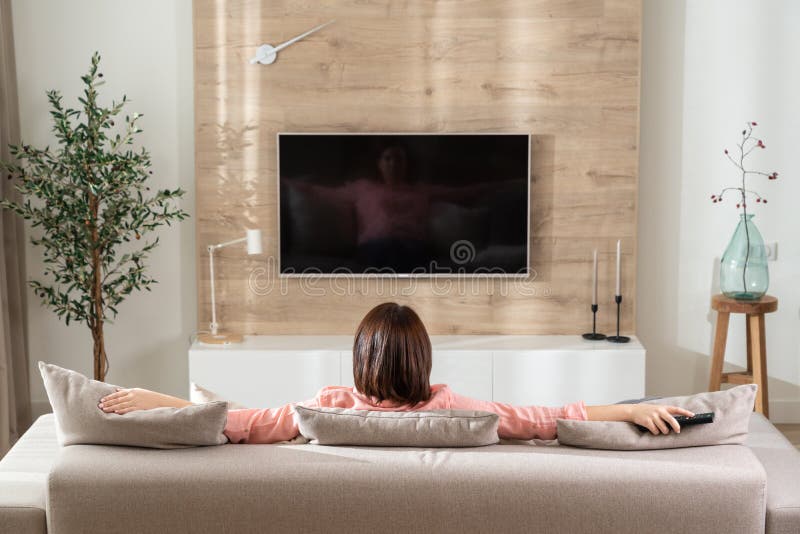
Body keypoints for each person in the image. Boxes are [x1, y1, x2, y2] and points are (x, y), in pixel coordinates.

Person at [98, 303, 693, 443]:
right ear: (422, 359)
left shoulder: (323, 409)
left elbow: (237, 423)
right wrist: (631, 409)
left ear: (361, 359)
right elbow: (548, 419)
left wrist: (160, 400)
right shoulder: (459, 411)